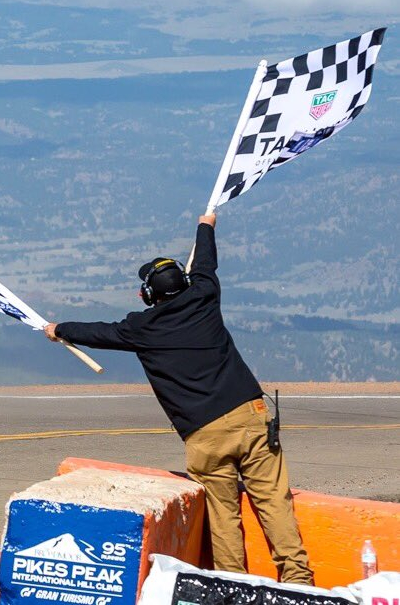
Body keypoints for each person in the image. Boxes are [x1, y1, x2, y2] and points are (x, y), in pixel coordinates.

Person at [42, 213, 313, 585]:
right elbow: (205, 262)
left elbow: (96, 332)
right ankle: (299, 581)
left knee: (223, 513)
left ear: (149, 295)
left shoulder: (141, 328)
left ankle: (234, 585)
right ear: (184, 283)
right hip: (251, 415)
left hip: (206, 434)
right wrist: (206, 225)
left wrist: (58, 329)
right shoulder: (204, 295)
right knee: (273, 502)